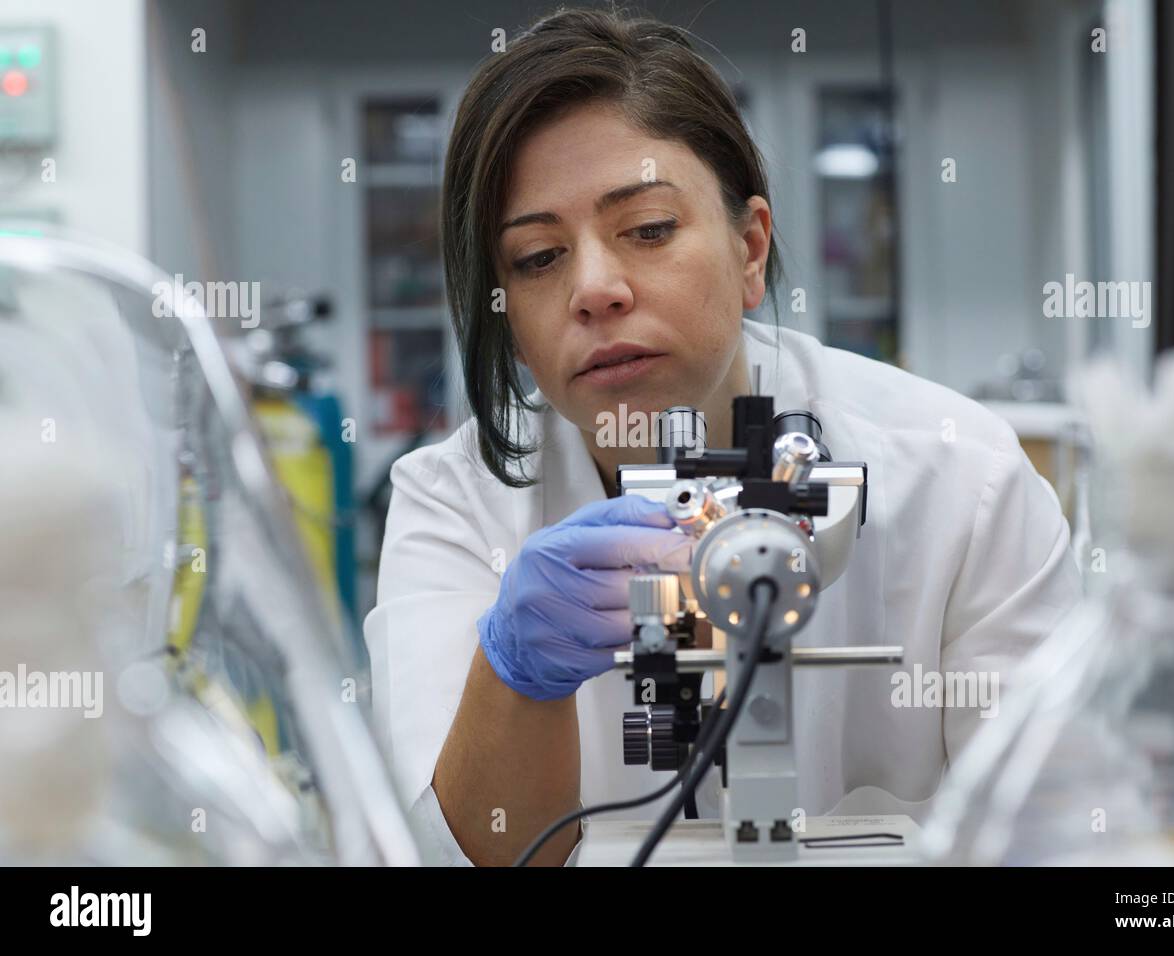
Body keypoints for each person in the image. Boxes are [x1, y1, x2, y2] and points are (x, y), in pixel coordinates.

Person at [364, 6, 1082, 866]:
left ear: (749, 249)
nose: (594, 288)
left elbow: (1061, 839)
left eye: (649, 229)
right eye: (538, 258)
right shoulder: (455, 505)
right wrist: (513, 672)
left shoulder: (962, 480)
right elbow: (456, 858)